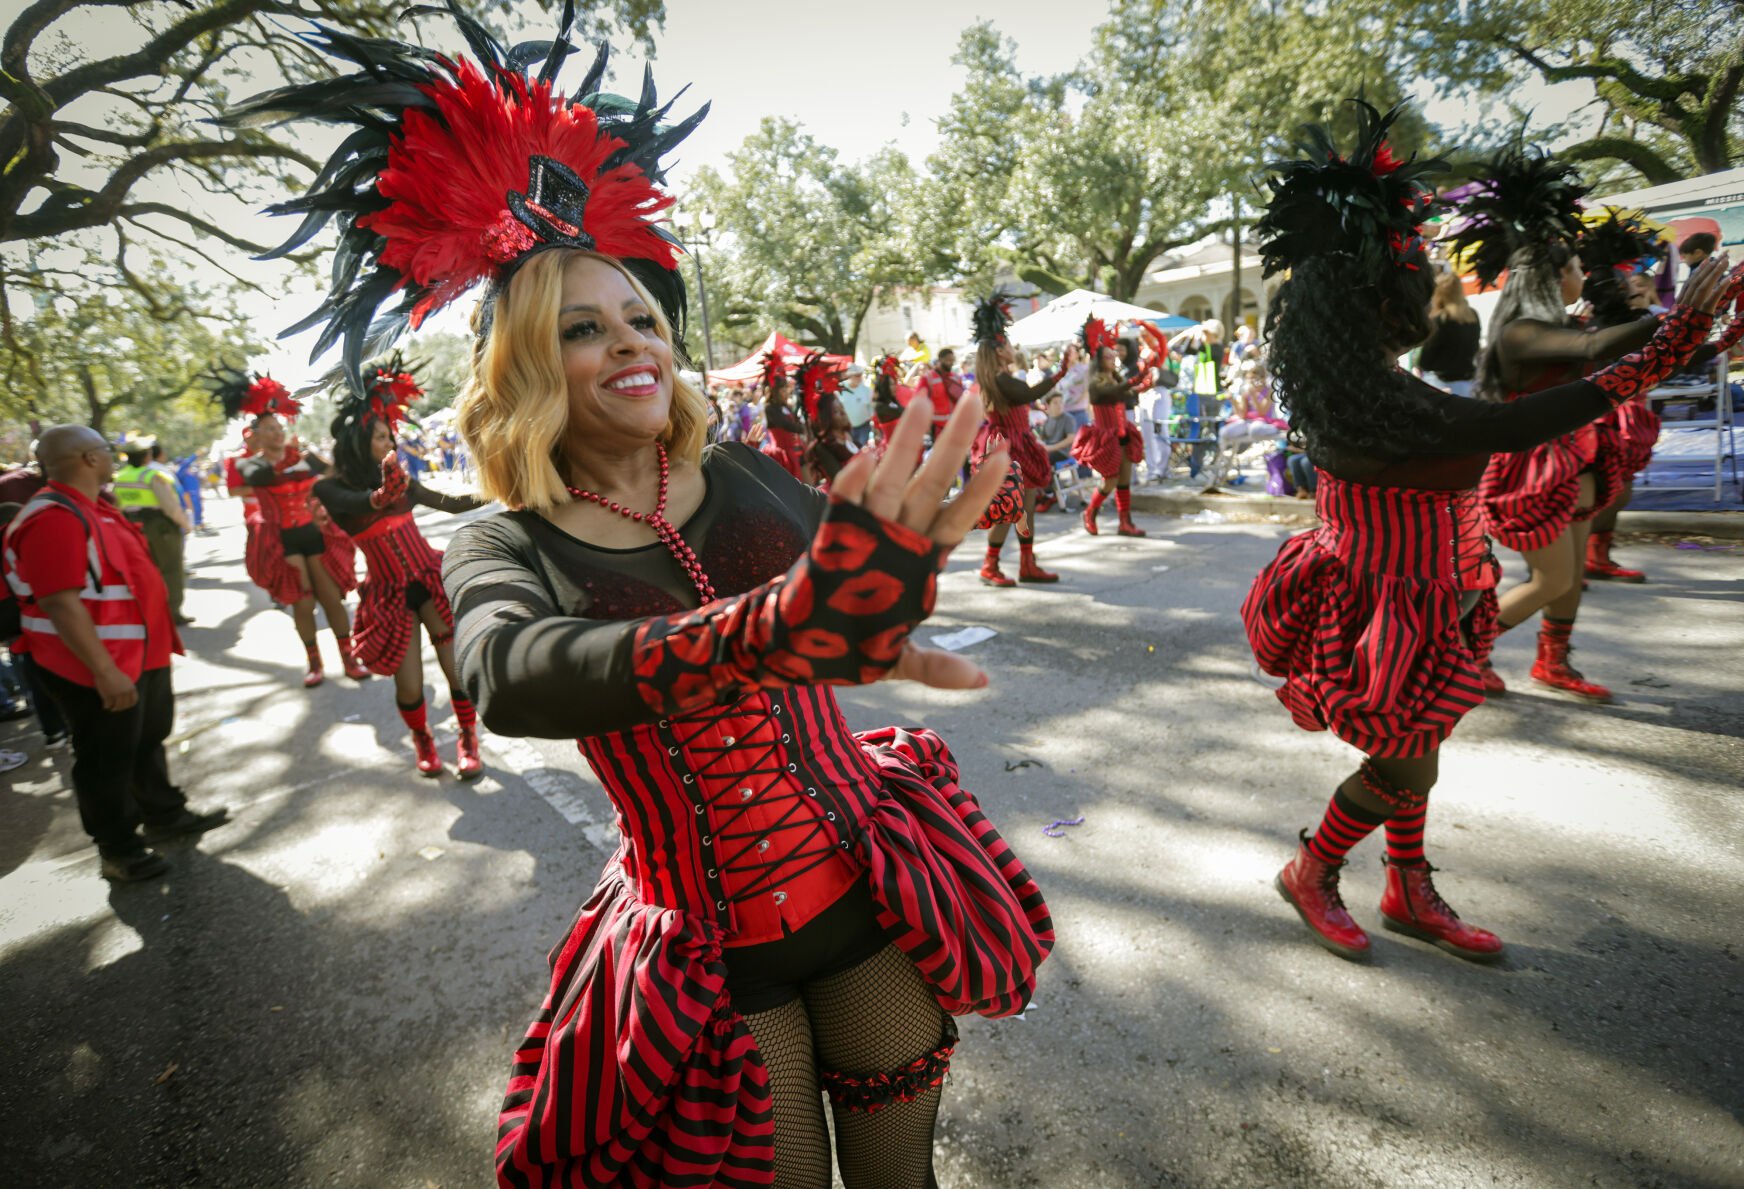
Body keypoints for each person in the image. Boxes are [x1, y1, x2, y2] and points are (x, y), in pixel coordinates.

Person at [238, 16, 1052, 1187]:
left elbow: (858, 595)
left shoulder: (752, 478)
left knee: (899, 1177)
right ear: (523, 366)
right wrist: (765, 627)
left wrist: (900, 568)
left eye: (641, 319)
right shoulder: (495, 540)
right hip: (712, 961)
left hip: (864, 893)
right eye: (582, 327)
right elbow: (511, 676)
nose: (631, 344)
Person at [1239, 99, 1735, 964]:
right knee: (1407, 763)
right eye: (1406, 264)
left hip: (1431, 592)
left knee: (1419, 743)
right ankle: (1312, 869)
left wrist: (1689, 338)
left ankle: (1406, 886)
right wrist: (1673, 342)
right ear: (1367, 296)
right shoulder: (1382, 401)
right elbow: (1514, 424)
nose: (1424, 278)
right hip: (1388, 610)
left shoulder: (1358, 386)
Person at [1453, 149, 1671, 702]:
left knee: (1570, 579)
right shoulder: (1520, 332)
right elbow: (1596, 347)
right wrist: (1664, 318)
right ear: (1551, 277)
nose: (1584, 274)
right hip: (1533, 469)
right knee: (1550, 578)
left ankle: (1554, 661)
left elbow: (1616, 355)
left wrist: (1696, 331)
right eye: (1575, 267)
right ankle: (1465, 653)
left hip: (1575, 459)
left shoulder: (1564, 322)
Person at [2, 425, 229, 882]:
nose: (115, 457)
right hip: (93, 666)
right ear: (88, 459)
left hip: (137, 655)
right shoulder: (53, 517)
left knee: (145, 738)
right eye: (107, 450)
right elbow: (60, 603)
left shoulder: (94, 507)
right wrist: (104, 672)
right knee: (105, 758)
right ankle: (119, 849)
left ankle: (163, 813)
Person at [313, 357, 490, 779]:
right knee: (408, 685)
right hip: (389, 593)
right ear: (358, 441)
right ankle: (423, 741)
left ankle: (468, 739)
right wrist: (377, 498)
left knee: (457, 670)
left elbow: (451, 504)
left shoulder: (403, 481)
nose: (389, 441)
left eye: (389, 433)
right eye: (379, 436)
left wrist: (504, 486)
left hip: (431, 578)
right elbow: (355, 505)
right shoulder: (329, 487)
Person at [212, 370, 366, 688]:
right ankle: (314, 663)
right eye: (268, 429)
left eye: (278, 427)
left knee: (331, 598)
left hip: (314, 533)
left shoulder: (305, 457)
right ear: (254, 435)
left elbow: (337, 472)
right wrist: (285, 462)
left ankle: (349, 658)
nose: (276, 434)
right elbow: (254, 479)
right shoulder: (250, 464)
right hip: (283, 539)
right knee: (303, 601)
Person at [969, 291, 1064, 585]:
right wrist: (1063, 371)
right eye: (1008, 344)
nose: (1012, 348)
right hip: (1008, 445)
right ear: (1000, 351)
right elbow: (1028, 392)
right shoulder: (1000, 380)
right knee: (1009, 507)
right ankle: (992, 565)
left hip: (1014, 441)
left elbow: (1022, 399)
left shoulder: (999, 379)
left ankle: (1025, 564)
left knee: (1022, 504)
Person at [1071, 317, 1149, 536]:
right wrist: (1136, 380)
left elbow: (1126, 393)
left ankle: (1125, 523)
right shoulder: (1096, 382)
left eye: (1113, 355)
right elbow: (1112, 393)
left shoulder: (1114, 377)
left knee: (1124, 480)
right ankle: (1090, 511)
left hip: (1123, 433)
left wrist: (1141, 385)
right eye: (1108, 356)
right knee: (1111, 480)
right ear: (1099, 359)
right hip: (1107, 437)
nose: (1113, 359)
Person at [112, 435, 193, 626]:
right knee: (171, 570)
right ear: (147, 456)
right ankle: (173, 613)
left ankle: (150, 611)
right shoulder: (153, 476)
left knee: (145, 571)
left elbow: (116, 505)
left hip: (131, 526)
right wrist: (185, 524)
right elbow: (171, 507)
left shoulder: (119, 477)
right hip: (160, 527)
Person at [1418, 270, 1481, 396]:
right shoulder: (1472, 315)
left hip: (1440, 384)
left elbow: (1426, 360)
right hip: (1468, 383)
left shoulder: (1439, 320)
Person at [759, 354, 806, 480]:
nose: (786, 393)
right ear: (775, 392)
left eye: (787, 390)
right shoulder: (770, 408)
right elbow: (788, 425)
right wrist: (803, 427)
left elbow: (796, 423)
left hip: (794, 450)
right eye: (783, 391)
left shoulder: (785, 407)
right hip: (781, 454)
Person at [920, 347, 963, 443]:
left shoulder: (956, 378)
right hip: (937, 427)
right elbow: (920, 401)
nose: (951, 363)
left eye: (952, 360)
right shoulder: (928, 378)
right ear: (940, 359)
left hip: (955, 426)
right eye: (948, 360)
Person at [837, 362, 874, 447]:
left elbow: (871, 409)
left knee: (861, 449)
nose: (859, 378)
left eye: (860, 375)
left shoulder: (867, 390)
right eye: (856, 375)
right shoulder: (840, 388)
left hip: (864, 426)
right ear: (850, 376)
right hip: (847, 428)